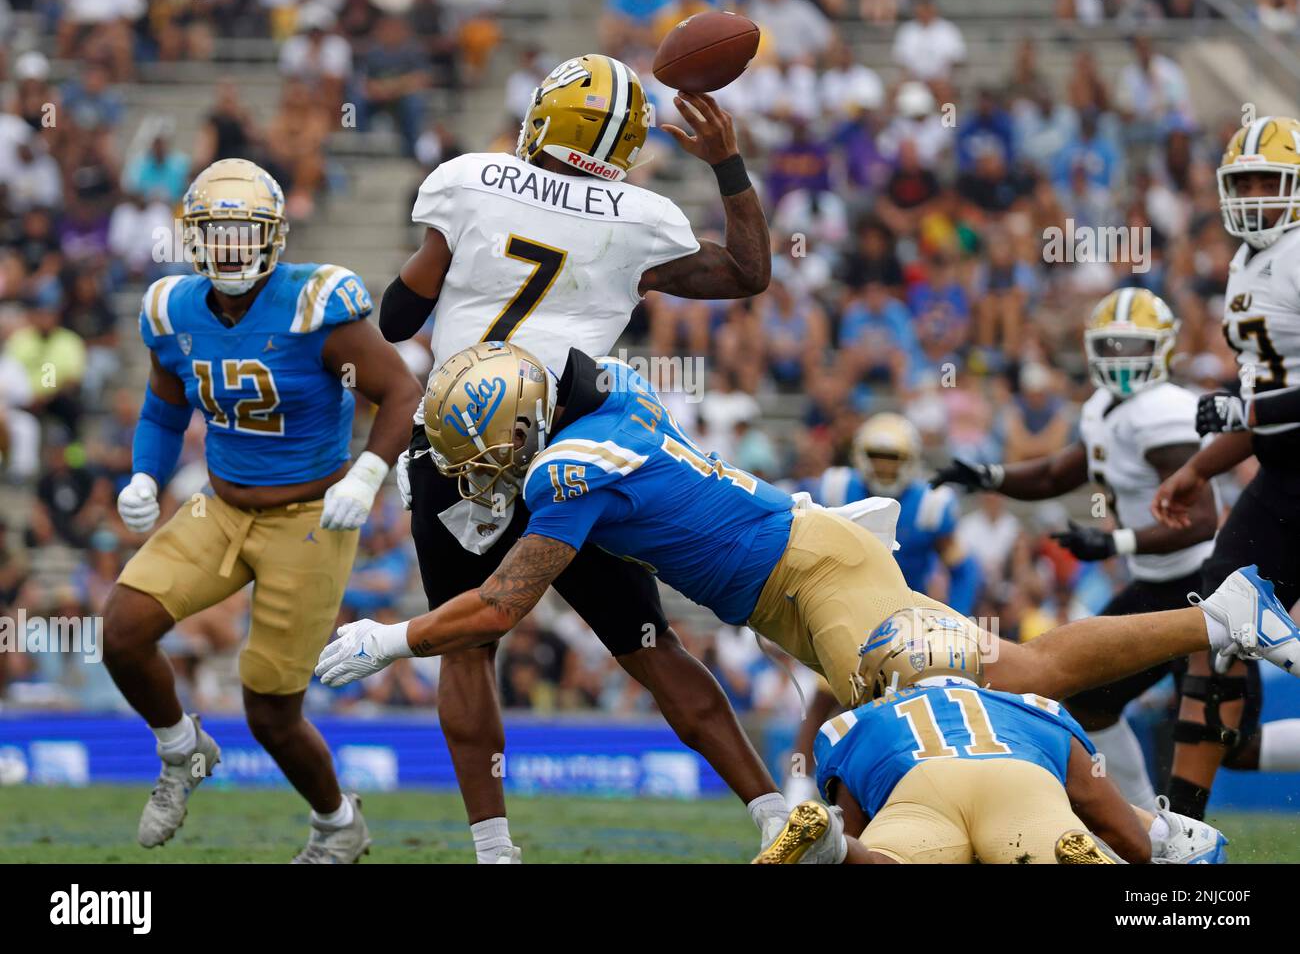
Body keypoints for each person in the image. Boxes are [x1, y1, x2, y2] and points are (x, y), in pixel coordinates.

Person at [317, 342, 1300, 790]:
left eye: (474, 448)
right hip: (802, 561)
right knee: (903, 732)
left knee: (1015, 674)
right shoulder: (604, 406)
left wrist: (387, 637)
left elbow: (495, 609)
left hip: (810, 578)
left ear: (522, 430)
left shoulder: (569, 474)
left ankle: (1218, 617)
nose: (468, 471)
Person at [374, 54, 779, 863]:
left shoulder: (470, 178)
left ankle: (494, 850)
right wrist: (728, 165)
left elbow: (395, 317)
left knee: (467, 644)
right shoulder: (639, 217)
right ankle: (773, 813)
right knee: (648, 642)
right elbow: (749, 272)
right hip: (570, 448)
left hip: (459, 445)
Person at [104, 159, 422, 862]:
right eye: (216, 235)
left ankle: (338, 822)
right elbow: (162, 408)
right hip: (219, 505)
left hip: (311, 517)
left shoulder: (315, 306)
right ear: (194, 239)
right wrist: (145, 477)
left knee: (270, 712)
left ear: (272, 237)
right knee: (122, 630)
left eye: (244, 234)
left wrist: (367, 474)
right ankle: (181, 749)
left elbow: (401, 391)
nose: (229, 249)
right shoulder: (172, 310)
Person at [931, 289, 1216, 811]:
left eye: (1134, 347)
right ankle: (1148, 822)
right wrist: (990, 475)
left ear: (1165, 348)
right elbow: (1058, 472)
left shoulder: (1164, 411)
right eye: (1111, 346)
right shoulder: (1104, 407)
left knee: (1223, 737)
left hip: (1201, 581)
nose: (1121, 359)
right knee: (1090, 699)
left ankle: (1160, 827)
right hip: (1158, 581)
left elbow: (1201, 521)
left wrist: (1113, 541)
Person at [754, 609, 1224, 865]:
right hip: (1021, 784)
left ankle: (833, 848)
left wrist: (848, 843)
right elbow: (1126, 834)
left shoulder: (855, 723)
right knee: (1053, 842)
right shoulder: (1033, 706)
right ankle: (1068, 853)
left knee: (882, 857)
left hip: (919, 791)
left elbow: (857, 819)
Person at [1154, 114, 1300, 818]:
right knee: (1215, 622)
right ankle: (1184, 828)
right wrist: (1199, 468)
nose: (1253, 196)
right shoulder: (1245, 265)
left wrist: (1250, 413)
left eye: (1266, 181)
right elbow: (1256, 400)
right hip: (1282, 477)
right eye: (1241, 182)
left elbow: (1262, 405)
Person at [786, 412, 981, 802]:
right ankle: (798, 780)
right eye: (878, 456)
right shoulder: (836, 487)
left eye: (893, 457)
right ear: (860, 455)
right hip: (845, 605)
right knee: (828, 690)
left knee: (909, 698)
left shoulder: (929, 505)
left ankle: (907, 786)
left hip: (908, 616)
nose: (884, 466)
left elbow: (965, 570)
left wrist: (949, 619)